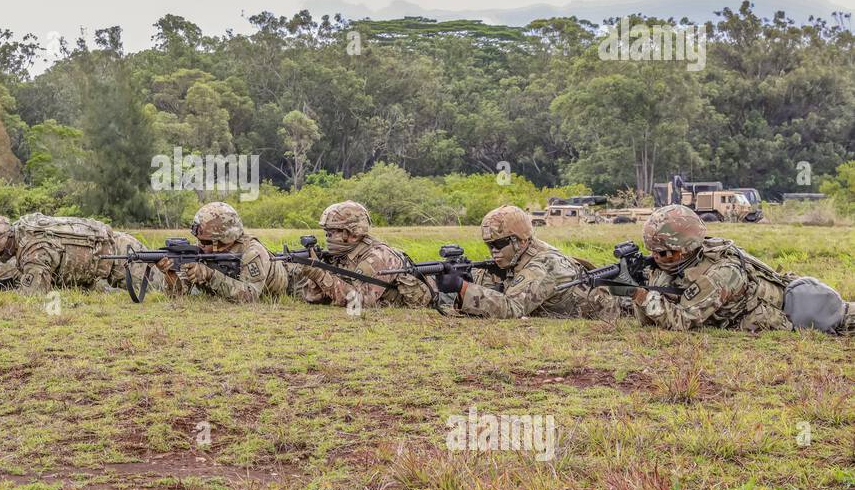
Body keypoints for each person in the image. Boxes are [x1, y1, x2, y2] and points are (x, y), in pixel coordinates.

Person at [621, 204, 855, 334]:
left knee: (843, 318)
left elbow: (682, 320)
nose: (656, 258)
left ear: (684, 250)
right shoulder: (686, 260)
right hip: (778, 301)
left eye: (662, 253)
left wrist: (637, 294)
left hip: (797, 312)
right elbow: (651, 319)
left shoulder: (722, 273)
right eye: (652, 252)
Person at [445, 205, 627, 320]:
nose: (494, 250)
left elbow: (512, 308)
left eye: (500, 243)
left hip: (610, 313)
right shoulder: (517, 256)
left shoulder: (543, 264)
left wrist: (463, 287)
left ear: (522, 241)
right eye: (489, 245)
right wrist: (469, 281)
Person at [293, 201, 430, 308]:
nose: (328, 237)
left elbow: (360, 301)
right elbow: (314, 298)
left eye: (333, 232)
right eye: (327, 232)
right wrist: (314, 272)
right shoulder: (343, 255)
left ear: (351, 233)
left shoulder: (377, 257)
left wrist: (320, 274)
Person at [155, 202, 285, 302]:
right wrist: (170, 274)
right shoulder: (201, 250)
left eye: (206, 242)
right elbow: (178, 295)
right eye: (199, 240)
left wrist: (210, 275)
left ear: (224, 240)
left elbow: (249, 297)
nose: (200, 245)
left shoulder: (252, 252)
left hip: (291, 283)